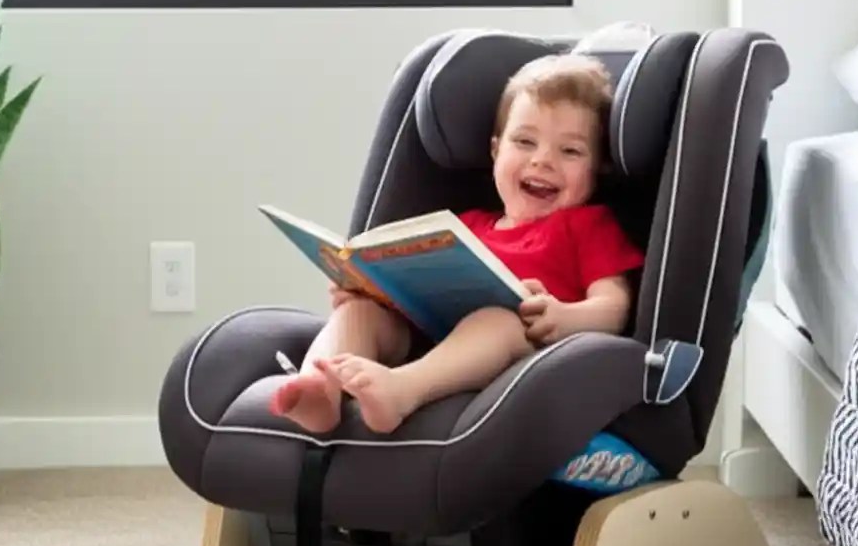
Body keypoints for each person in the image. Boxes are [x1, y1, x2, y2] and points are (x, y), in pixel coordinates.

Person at [269, 53, 646, 434]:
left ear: (598, 168)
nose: (542, 161)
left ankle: (401, 391)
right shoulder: (464, 226)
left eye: (570, 151)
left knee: (496, 321)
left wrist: (564, 317)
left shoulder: (587, 225)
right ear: (496, 151)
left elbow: (614, 306)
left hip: (520, 354)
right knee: (359, 313)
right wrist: (366, 288)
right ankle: (319, 388)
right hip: (428, 335)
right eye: (525, 141)